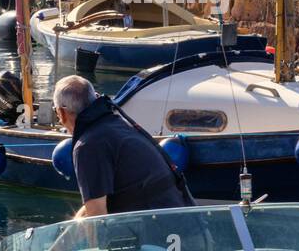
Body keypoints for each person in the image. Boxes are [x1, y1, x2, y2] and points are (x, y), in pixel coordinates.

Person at [53, 75, 195, 218]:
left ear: (62, 112)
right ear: (95, 98)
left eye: (56, 113)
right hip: (182, 216)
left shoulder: (87, 145)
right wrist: (64, 238)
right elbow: (95, 204)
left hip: (159, 227)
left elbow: (96, 215)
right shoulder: (116, 125)